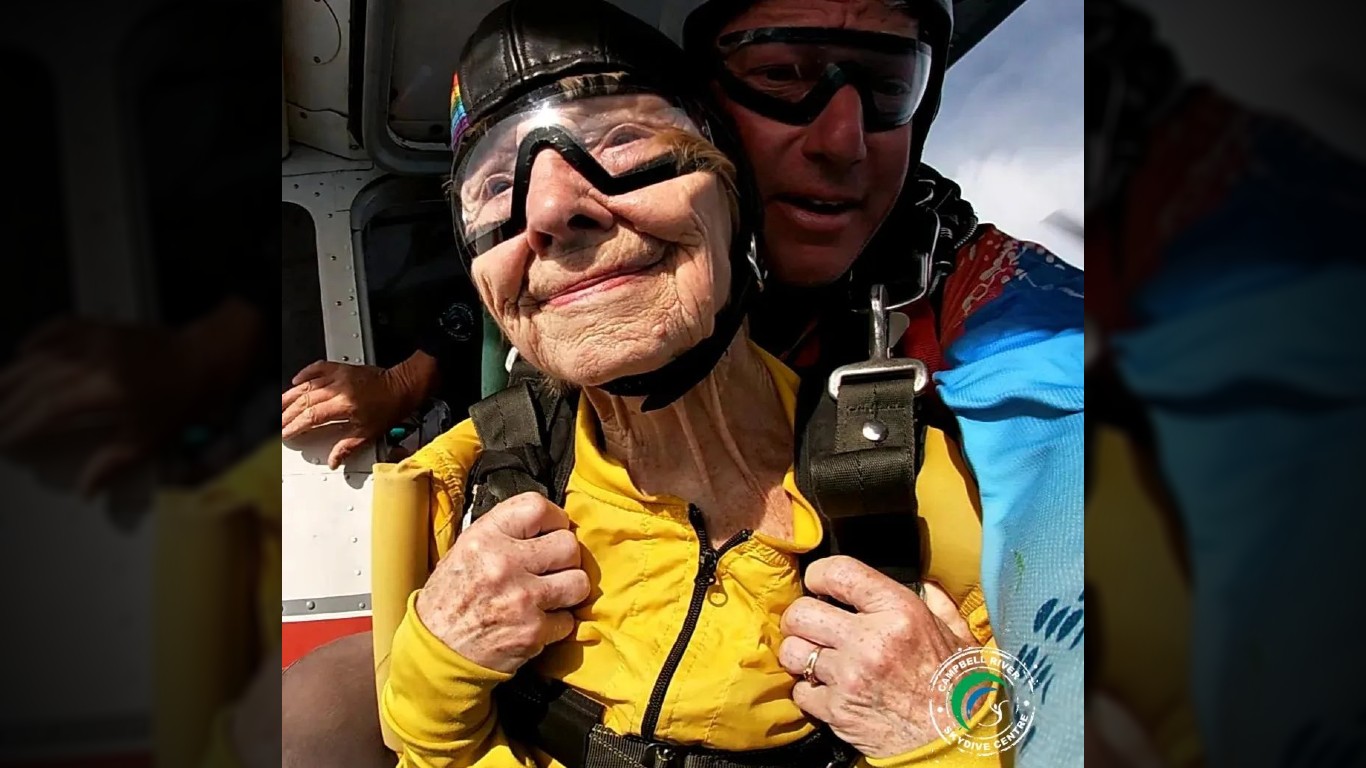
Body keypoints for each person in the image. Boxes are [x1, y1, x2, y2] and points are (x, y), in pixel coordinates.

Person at [366, 1, 1010, 767]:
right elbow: (427, 750)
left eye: (625, 141)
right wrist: (434, 673)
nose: (549, 208)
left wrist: (942, 737)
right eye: (495, 187)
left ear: (731, 198)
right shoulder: (460, 483)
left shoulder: (940, 484)